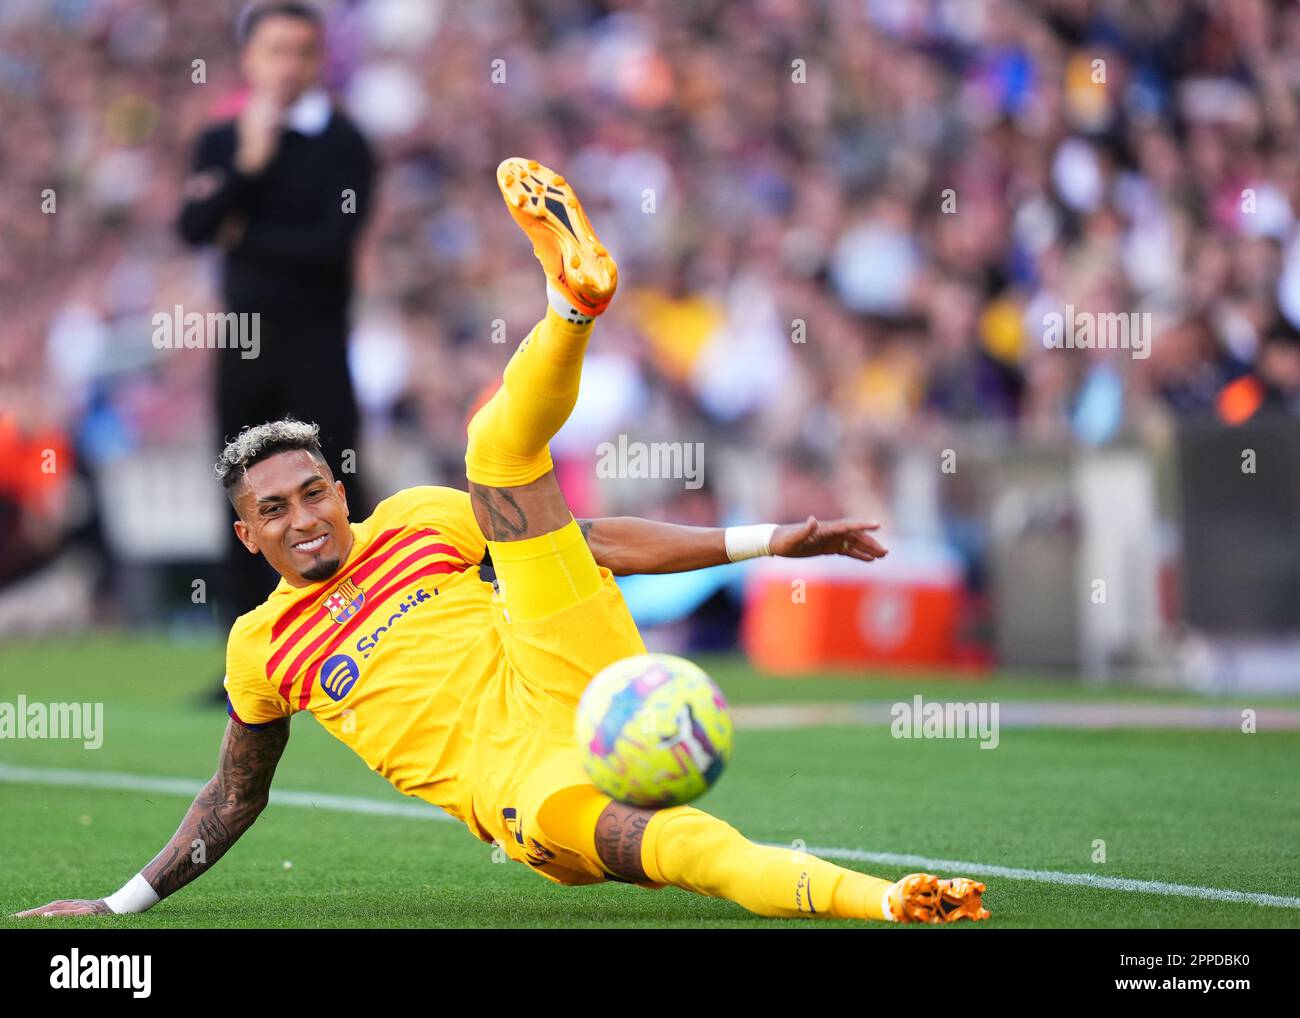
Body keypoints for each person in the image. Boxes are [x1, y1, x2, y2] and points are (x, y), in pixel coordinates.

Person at [17, 160, 987, 924]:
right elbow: (232, 799)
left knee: (496, 447)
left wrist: (774, 538)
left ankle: (573, 301)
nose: (304, 516)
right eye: (275, 509)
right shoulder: (262, 647)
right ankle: (889, 899)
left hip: (568, 663)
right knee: (689, 847)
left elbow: (594, 539)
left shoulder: (416, 520)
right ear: (247, 532)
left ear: (339, 489)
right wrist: (119, 904)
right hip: (525, 782)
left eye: (314, 491)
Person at [177, 1, 374, 637]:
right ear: (249, 59)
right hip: (243, 347)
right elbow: (193, 227)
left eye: (301, 52)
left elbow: (330, 245)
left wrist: (243, 232)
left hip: (317, 344)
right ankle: (249, 649)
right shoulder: (221, 141)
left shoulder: (344, 144)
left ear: (318, 59)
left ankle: (362, 636)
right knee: (240, 492)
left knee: (331, 485)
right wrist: (247, 168)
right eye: (275, 51)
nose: (289, 66)